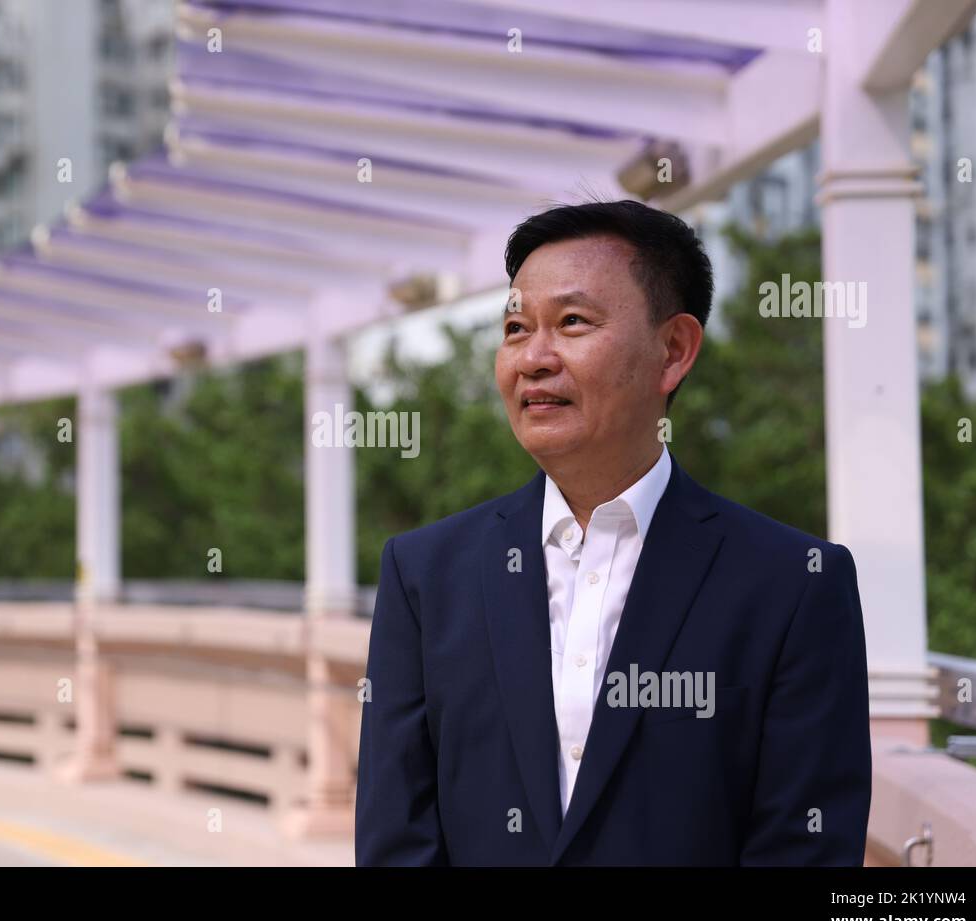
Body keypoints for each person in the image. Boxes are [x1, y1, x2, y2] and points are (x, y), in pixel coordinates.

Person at [354, 200, 872, 866]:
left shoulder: (794, 583)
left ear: (673, 350)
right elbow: (397, 840)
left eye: (572, 322)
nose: (533, 358)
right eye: (515, 328)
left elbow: (805, 851)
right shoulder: (424, 575)